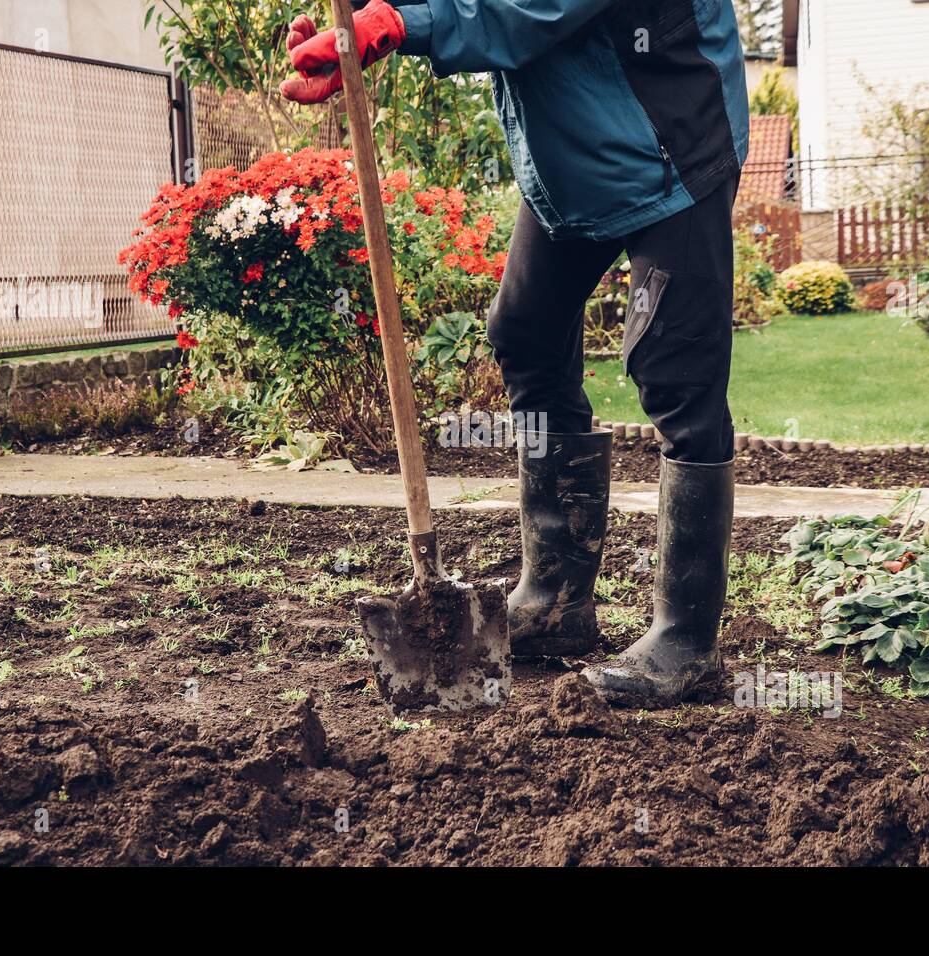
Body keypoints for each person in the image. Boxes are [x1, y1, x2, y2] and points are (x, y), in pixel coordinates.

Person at [281, 0, 749, 708]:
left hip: (668, 142)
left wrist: (404, 26)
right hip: (574, 162)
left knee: (677, 368)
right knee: (526, 330)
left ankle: (687, 640)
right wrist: (364, 24)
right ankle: (557, 597)